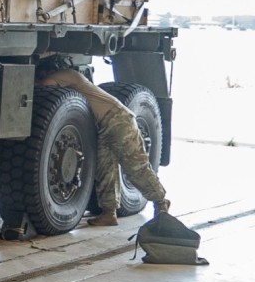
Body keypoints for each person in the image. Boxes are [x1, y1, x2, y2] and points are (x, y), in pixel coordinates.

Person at [35, 56, 170, 226]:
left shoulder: (67, 74)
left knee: (136, 168)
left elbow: (46, 84)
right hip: (105, 125)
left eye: (43, 72)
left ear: (50, 70)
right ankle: (109, 213)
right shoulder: (67, 77)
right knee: (106, 171)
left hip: (118, 120)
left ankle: (161, 202)